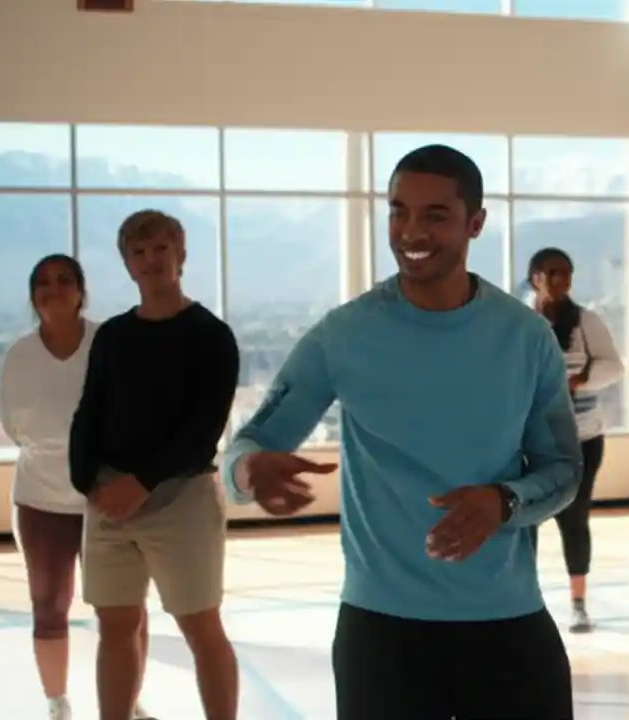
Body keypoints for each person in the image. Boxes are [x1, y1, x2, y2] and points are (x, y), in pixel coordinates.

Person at [222, 144, 582, 719]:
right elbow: (246, 446)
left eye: (434, 214)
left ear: (475, 223)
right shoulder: (344, 334)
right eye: (398, 211)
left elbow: (563, 471)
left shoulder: (525, 337)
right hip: (382, 635)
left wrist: (502, 502)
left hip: (505, 623)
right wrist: (248, 471)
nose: (411, 230)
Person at [69, 210, 241, 720]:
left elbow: (201, 430)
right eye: (139, 253)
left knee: (200, 626)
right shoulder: (114, 336)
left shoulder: (210, 335)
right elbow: (90, 411)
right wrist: (87, 484)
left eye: (160, 250)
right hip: (108, 499)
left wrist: (141, 484)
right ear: (127, 265)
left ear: (180, 255)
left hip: (180, 497)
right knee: (115, 626)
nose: (151, 261)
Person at [0, 255, 152, 720]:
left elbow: (130, 414)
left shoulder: (110, 343)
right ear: (32, 296)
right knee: (48, 604)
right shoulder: (19, 355)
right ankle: (57, 702)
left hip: (105, 498)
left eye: (65, 280)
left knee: (124, 607)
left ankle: (127, 700)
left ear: (82, 291)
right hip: (40, 501)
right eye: (43, 282)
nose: (54, 289)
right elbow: (12, 425)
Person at [526, 246, 624, 634]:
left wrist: (580, 379)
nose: (560, 281)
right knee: (525, 519)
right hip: (529, 442)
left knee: (575, 517)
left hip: (582, 437)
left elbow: (614, 365)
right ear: (535, 278)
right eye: (551, 273)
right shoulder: (519, 321)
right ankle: (526, 599)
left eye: (566, 273)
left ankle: (578, 603)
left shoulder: (586, 321)